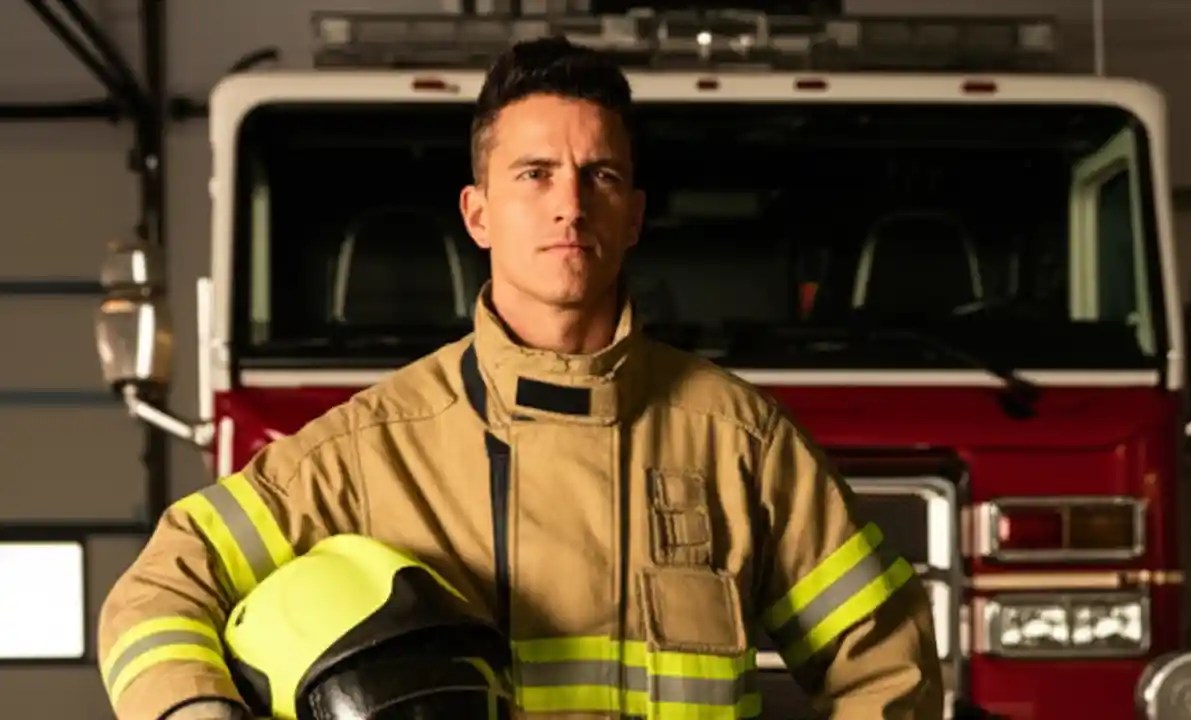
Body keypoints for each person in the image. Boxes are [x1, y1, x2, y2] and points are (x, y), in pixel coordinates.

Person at [96, 35, 943, 720]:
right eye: (534, 175)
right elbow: (160, 591)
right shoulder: (367, 451)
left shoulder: (743, 445)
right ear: (478, 213)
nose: (569, 204)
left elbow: (886, 665)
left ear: (635, 215)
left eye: (599, 175)